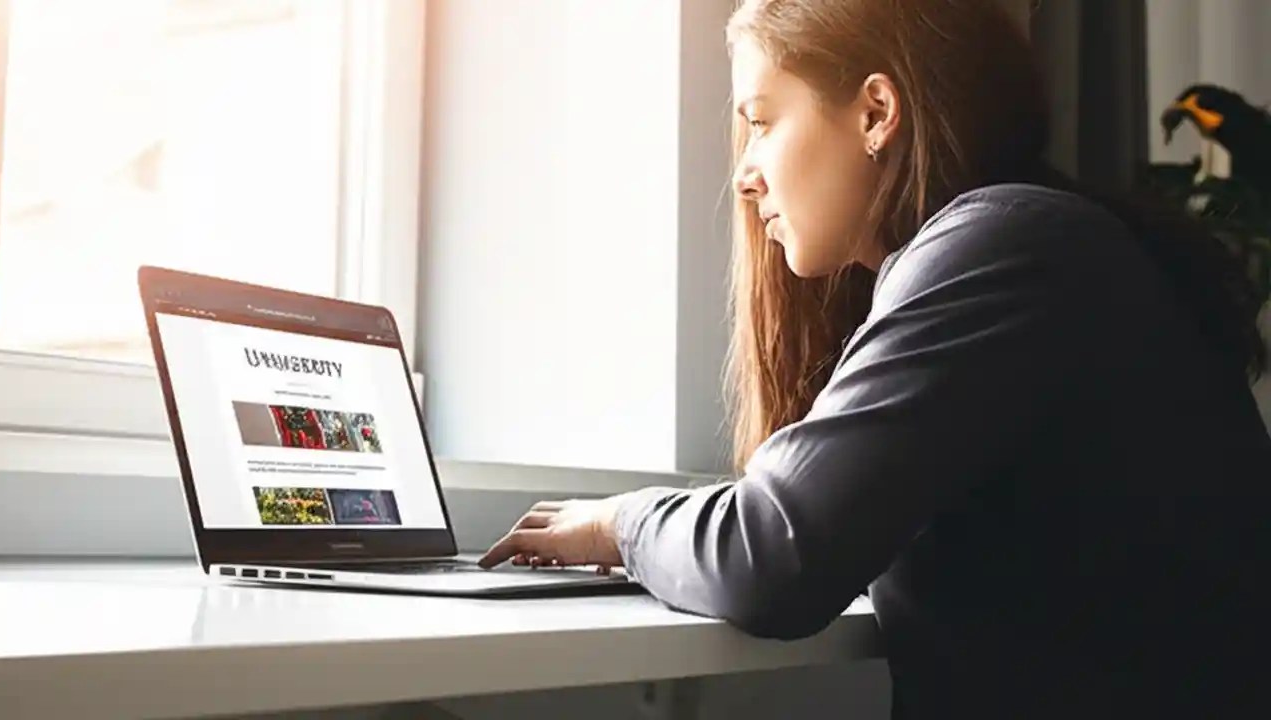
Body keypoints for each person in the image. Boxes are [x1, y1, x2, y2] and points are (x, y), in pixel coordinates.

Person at [478, 1, 1271, 717]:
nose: (744, 176)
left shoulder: (1000, 246)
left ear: (876, 112)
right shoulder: (1041, 243)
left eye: (762, 121)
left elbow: (770, 559)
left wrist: (620, 522)